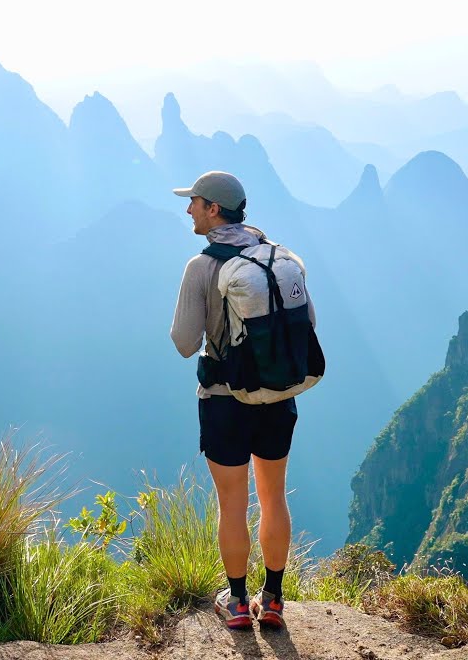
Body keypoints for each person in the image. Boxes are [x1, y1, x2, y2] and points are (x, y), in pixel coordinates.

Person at [169, 170, 315, 631]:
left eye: (194, 202)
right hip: (277, 396)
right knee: (274, 498)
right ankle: (273, 599)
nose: (188, 208)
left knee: (232, 504)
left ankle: (235, 602)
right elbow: (306, 324)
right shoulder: (276, 258)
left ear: (214, 209)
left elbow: (184, 342)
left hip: (224, 400)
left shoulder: (201, 266)